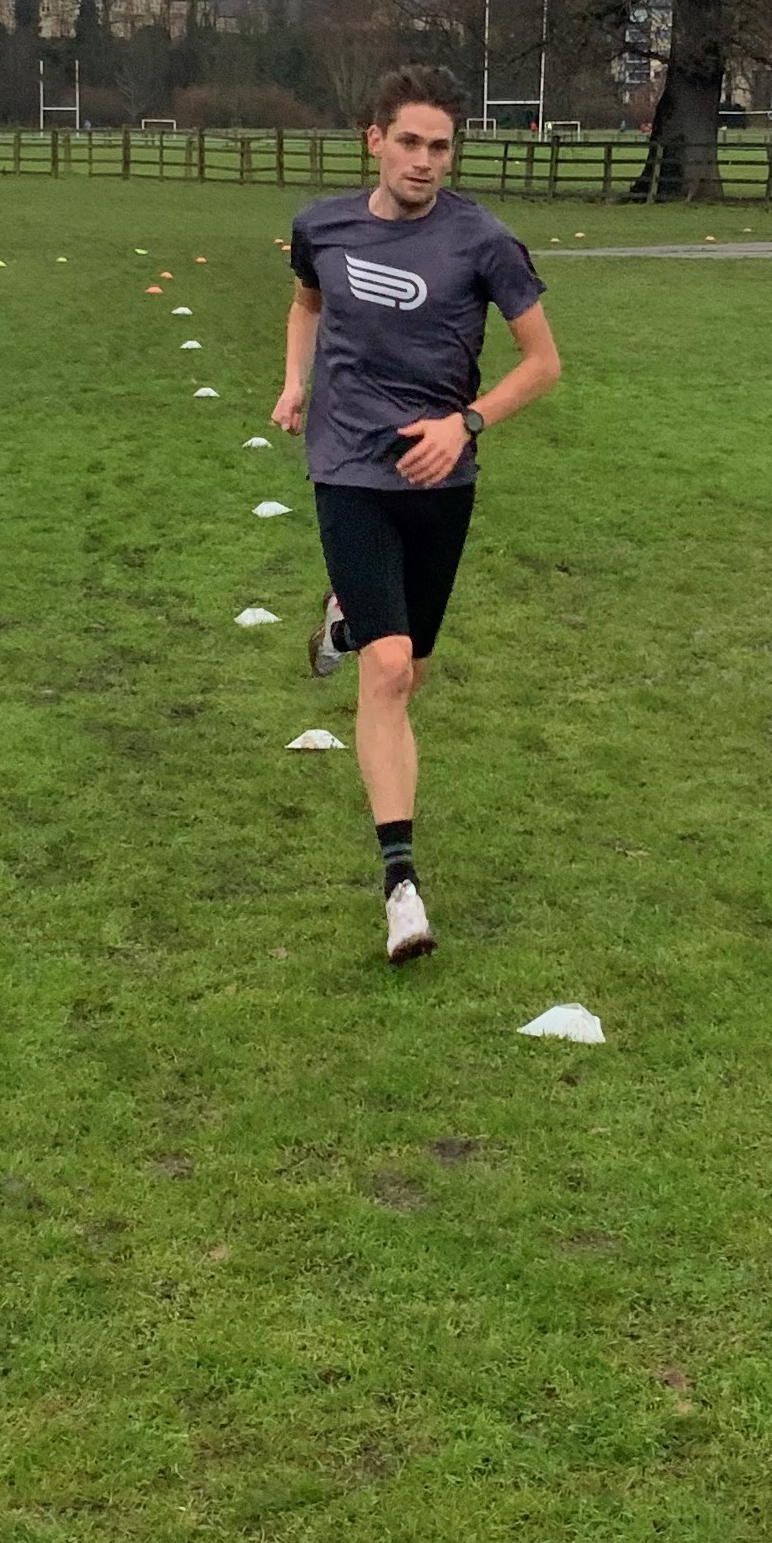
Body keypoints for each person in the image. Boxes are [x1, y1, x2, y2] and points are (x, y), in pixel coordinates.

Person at [270, 63, 561, 964]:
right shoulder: (321, 226)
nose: (426, 160)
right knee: (390, 672)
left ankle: (347, 619)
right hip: (349, 465)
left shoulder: (485, 242)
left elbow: (543, 363)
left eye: (441, 145)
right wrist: (294, 381)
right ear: (375, 140)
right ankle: (401, 885)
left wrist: (466, 422)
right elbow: (305, 302)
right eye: (410, 141)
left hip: (442, 479)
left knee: (411, 671)